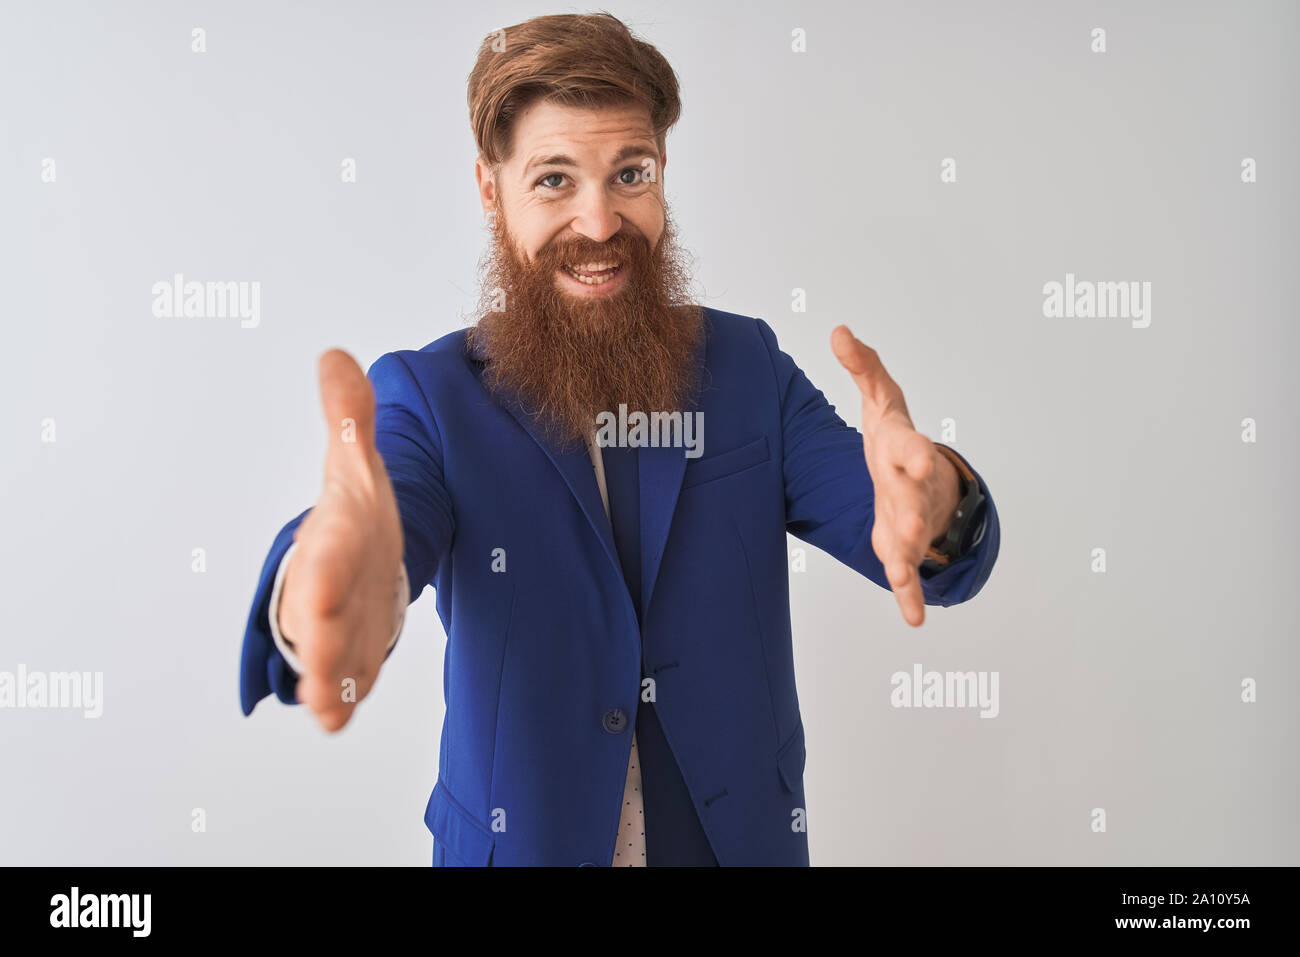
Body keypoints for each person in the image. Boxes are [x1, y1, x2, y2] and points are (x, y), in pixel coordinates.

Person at [238, 11, 1000, 866]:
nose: (599, 224)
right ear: (491, 193)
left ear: (663, 172)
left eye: (628, 174)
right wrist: (334, 578)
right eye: (554, 180)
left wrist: (938, 501)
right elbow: (378, 534)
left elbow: (900, 519)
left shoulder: (747, 367)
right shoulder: (432, 396)